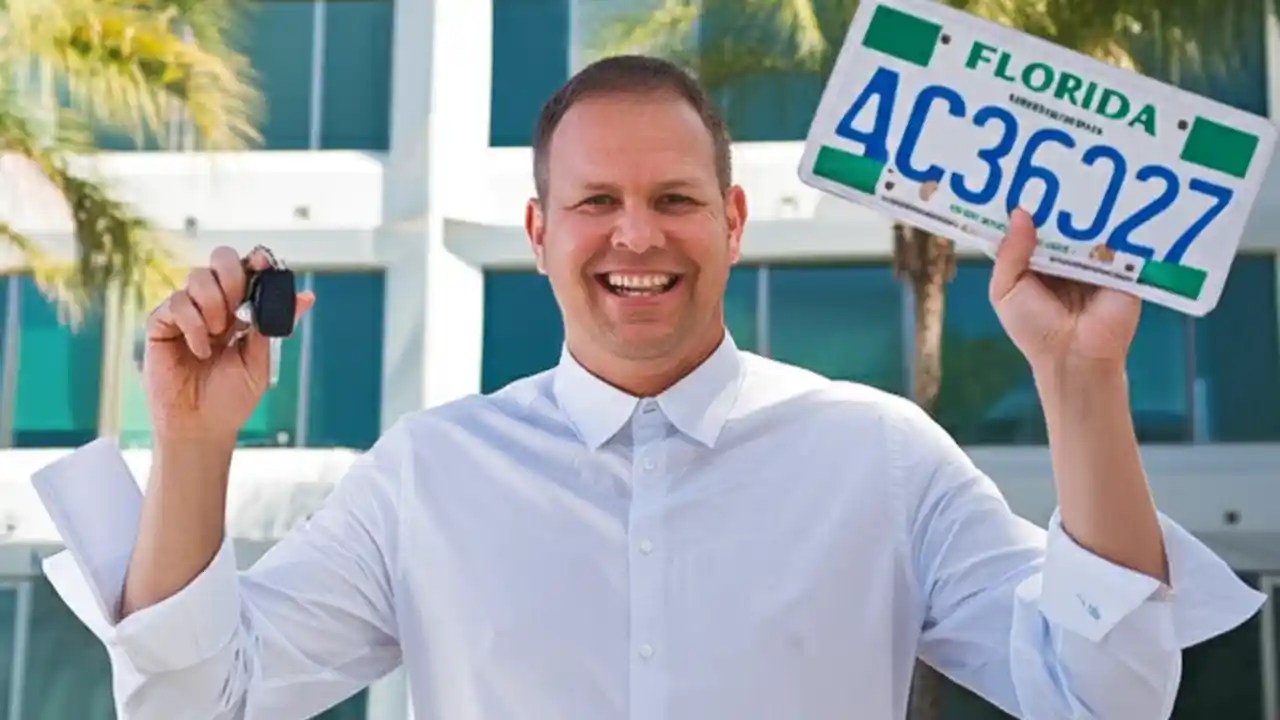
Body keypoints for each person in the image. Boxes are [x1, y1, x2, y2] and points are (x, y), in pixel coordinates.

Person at [37, 54, 1263, 720]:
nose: (637, 235)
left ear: (731, 222)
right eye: (596, 202)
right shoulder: (425, 474)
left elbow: (1100, 695)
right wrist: (190, 445)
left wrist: (1079, 377)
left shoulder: (878, 455)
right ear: (537, 232)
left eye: (674, 198)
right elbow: (200, 707)